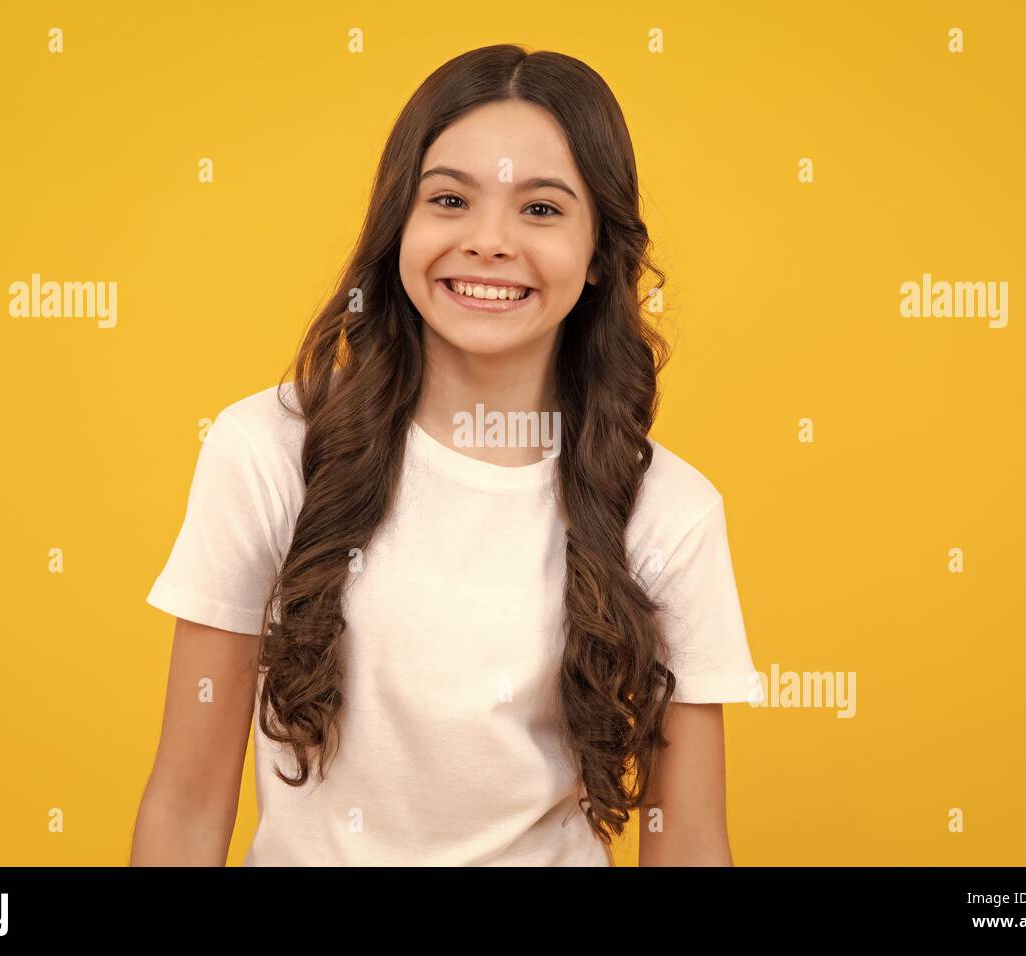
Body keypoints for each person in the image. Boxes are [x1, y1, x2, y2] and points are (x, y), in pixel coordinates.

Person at [130, 43, 762, 867]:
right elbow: (185, 807)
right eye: (451, 199)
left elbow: (689, 843)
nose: (490, 242)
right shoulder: (266, 453)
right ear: (401, 223)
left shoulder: (671, 512)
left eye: (541, 209)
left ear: (602, 254)